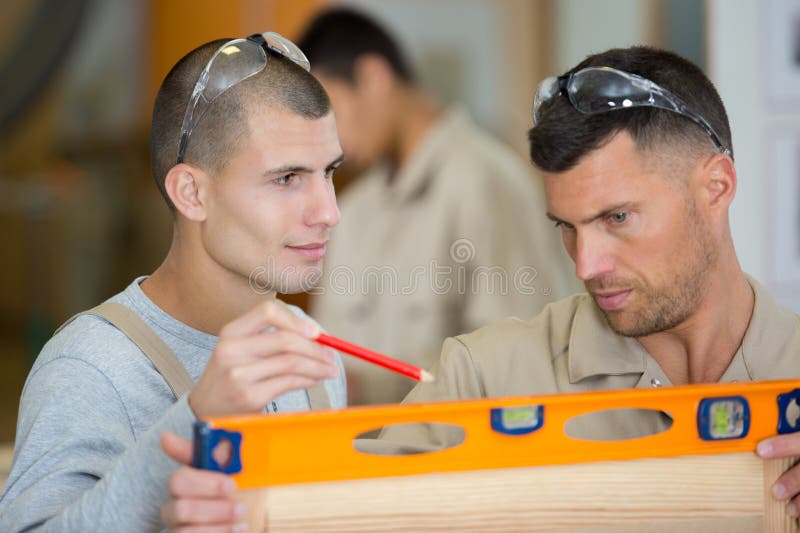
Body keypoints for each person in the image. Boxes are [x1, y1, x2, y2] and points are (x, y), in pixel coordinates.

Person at [158, 45, 800, 528]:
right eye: (567, 228)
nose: (586, 264)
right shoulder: (480, 379)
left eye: (617, 219)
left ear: (715, 187)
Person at [0, 31, 347, 532]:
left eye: (329, 172)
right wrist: (197, 417)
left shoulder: (313, 354)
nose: (329, 212)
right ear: (191, 193)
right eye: (287, 178)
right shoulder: (92, 368)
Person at [296, 8, 579, 406]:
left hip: (454, 459)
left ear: (374, 76)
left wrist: (370, 389)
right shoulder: (351, 209)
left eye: (332, 111)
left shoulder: (486, 182)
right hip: (354, 457)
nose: (333, 138)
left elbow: (523, 362)